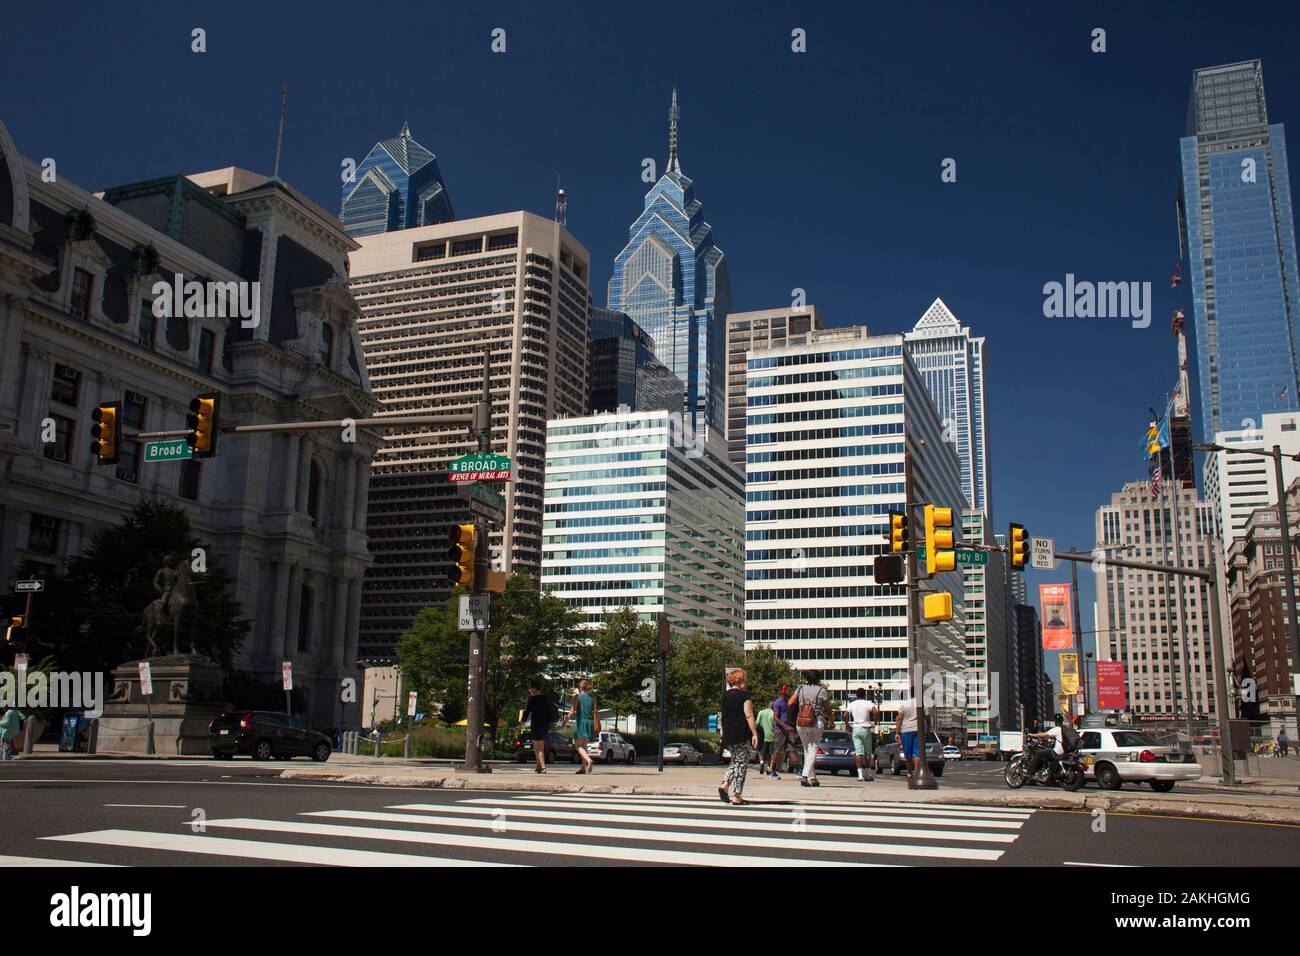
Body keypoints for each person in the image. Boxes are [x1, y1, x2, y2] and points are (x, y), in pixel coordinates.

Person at [718, 669, 759, 805]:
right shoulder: (744, 695)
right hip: (741, 733)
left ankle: (725, 785)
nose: (746, 682)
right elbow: (749, 715)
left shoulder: (725, 695)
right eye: (745, 680)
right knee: (742, 764)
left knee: (735, 761)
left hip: (729, 733)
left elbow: (723, 716)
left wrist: (722, 733)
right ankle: (737, 795)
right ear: (739, 680)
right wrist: (754, 733)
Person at [789, 671, 830, 787]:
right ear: (818, 679)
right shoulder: (821, 690)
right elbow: (828, 708)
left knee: (807, 748)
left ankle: (813, 778)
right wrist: (831, 720)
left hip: (801, 721)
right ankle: (805, 775)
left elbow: (790, 702)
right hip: (816, 721)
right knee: (813, 748)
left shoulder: (800, 689)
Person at [521, 680, 557, 774]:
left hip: (536, 724)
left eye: (530, 688)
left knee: (538, 747)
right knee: (537, 746)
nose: (529, 690)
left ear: (534, 689)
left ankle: (543, 767)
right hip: (545, 724)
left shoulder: (532, 699)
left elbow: (527, 712)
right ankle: (538, 765)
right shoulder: (545, 698)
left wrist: (521, 723)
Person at [1026, 713, 1073, 782]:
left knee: (1039, 753)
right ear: (1062, 720)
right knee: (1047, 752)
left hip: (1057, 752)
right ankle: (1048, 772)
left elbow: (1043, 735)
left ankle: (1030, 772)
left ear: (1055, 721)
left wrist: (1031, 734)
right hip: (1066, 751)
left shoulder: (1057, 729)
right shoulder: (1066, 729)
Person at [844, 687, 878, 783]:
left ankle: (859, 775)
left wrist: (847, 725)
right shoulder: (868, 703)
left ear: (856, 695)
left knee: (859, 752)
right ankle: (867, 774)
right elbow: (876, 712)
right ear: (864, 695)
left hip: (855, 728)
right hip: (865, 728)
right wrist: (874, 723)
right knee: (867, 752)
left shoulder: (852, 704)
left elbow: (845, 715)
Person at [565, 679, 597, 775]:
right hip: (590, 722)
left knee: (578, 746)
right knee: (584, 746)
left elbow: (572, 711)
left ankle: (588, 760)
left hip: (581, 722)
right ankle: (583, 768)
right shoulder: (593, 697)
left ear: (580, 688)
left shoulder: (577, 697)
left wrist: (566, 720)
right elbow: (595, 711)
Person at [770, 683, 796, 778]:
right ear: (783, 691)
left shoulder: (788, 702)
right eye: (788, 690)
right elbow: (775, 718)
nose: (790, 692)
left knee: (792, 748)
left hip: (789, 729)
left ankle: (798, 769)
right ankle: (773, 770)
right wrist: (785, 726)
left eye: (790, 690)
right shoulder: (778, 702)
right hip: (780, 730)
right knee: (777, 750)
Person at [895, 690, 923, 779]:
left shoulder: (903, 704)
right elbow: (927, 718)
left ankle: (909, 772)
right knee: (917, 753)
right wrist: (928, 729)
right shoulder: (922, 703)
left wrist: (897, 732)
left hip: (906, 730)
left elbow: (899, 718)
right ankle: (917, 773)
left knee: (908, 754)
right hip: (918, 730)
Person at [755, 700, 777, 775]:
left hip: (762, 735)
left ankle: (761, 763)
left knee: (761, 751)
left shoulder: (761, 712)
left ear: (768, 705)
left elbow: (757, 723)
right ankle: (768, 768)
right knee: (770, 753)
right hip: (771, 735)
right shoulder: (774, 713)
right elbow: (775, 724)